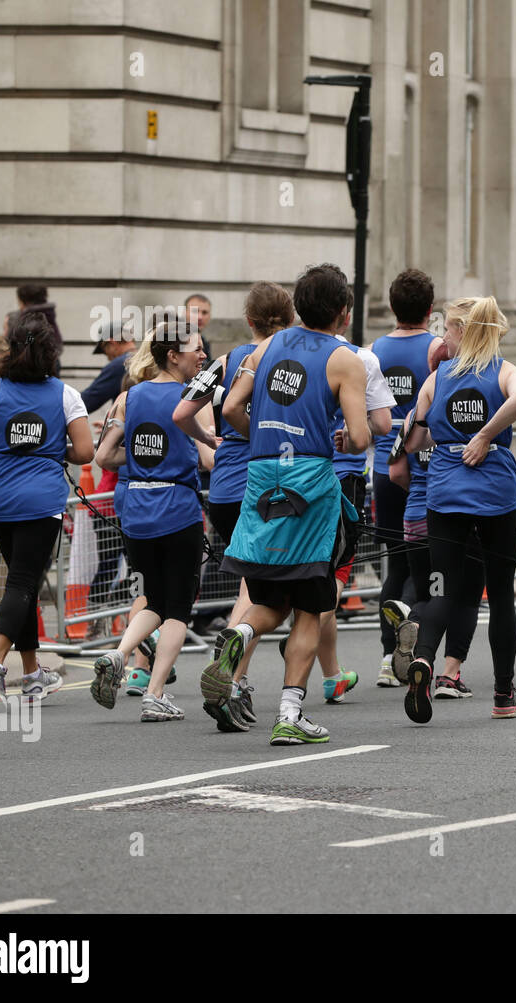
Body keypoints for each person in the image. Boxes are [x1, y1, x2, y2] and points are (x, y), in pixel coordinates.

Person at [202, 263, 371, 746]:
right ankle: (290, 714)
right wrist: (335, 433)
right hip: (312, 484)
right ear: (344, 311)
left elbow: (231, 408)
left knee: (269, 598)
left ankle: (239, 636)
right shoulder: (346, 360)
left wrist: (265, 437)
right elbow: (359, 437)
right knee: (311, 606)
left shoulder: (266, 347)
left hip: (260, 476)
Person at [0, 312, 93, 705]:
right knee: (23, 583)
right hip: (41, 501)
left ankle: (32, 676)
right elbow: (84, 451)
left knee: (21, 582)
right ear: (51, 353)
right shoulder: (66, 395)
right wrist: (49, 448)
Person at [172, 281, 295, 731]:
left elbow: (182, 414)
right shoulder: (290, 359)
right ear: (291, 316)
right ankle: (236, 676)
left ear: (249, 320)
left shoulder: (225, 361)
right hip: (263, 486)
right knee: (259, 588)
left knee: (253, 580)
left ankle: (236, 672)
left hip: (222, 490)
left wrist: (211, 441)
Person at [403, 296, 516, 721]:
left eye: (447, 330)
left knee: (441, 587)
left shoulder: (437, 379)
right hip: (494, 496)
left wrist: (429, 425)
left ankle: (424, 659)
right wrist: (486, 435)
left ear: (463, 332)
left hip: (445, 495)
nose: (443, 337)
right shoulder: (508, 372)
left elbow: (414, 443)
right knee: (501, 594)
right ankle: (503, 691)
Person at [91, 322, 215, 721]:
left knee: (153, 601)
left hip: (137, 513)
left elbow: (104, 456)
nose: (202, 355)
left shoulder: (129, 396)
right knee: (178, 609)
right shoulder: (193, 397)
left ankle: (119, 653)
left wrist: (147, 460)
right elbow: (209, 459)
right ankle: (156, 693)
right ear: (173, 355)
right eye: (195, 349)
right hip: (178, 510)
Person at [391, 297, 484, 698]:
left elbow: (396, 468)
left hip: (417, 515)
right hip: (463, 512)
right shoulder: (476, 402)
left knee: (433, 590)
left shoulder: (418, 412)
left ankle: (413, 618)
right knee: (463, 598)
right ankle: (449, 674)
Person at [315, 285, 396, 698]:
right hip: (341, 481)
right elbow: (381, 427)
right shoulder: (361, 358)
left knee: (285, 578)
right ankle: (309, 655)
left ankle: (331, 675)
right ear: (345, 313)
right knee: (331, 579)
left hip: (283, 475)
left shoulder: (277, 354)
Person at [369, 269, 438, 686]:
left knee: (394, 563)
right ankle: (410, 639)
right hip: (425, 468)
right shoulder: (437, 349)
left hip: (382, 467)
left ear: (393, 306)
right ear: (431, 309)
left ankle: (384, 657)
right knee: (425, 564)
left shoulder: (373, 349)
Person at [82, 321, 137, 413]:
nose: (107, 357)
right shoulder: (148, 358)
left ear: (112, 343)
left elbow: (87, 402)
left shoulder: (119, 365)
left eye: (104, 350)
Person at [15, 285, 64, 357]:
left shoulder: (32, 320)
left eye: (19, 302)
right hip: (51, 361)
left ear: (25, 302)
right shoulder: (47, 315)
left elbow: (28, 346)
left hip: (37, 363)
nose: (19, 306)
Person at [185, 293, 213, 360]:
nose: (200, 317)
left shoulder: (203, 341)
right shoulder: (176, 341)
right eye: (195, 311)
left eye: (204, 312)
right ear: (184, 313)